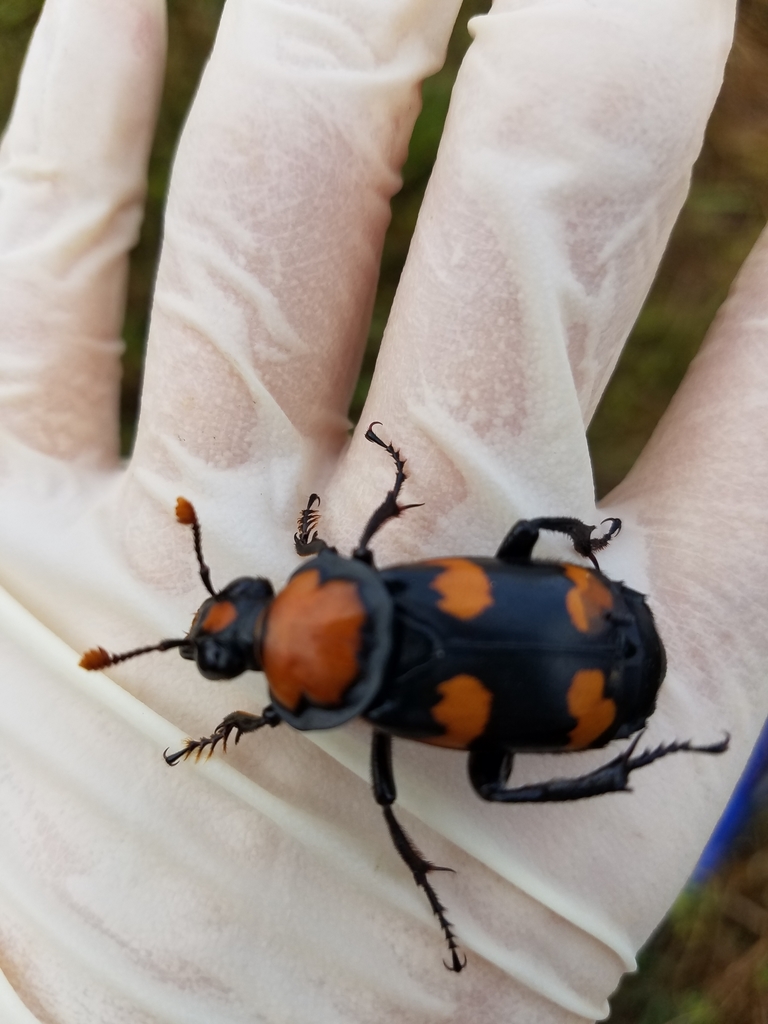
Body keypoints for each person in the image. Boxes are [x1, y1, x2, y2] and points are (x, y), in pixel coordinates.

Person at [0, 0, 760, 1021]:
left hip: (590, 679)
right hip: (585, 635)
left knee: (482, 784)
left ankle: (669, 763)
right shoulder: (356, 581)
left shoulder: (340, 690)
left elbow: (289, 681)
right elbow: (342, 559)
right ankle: (655, 715)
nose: (233, 613)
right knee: (531, 553)